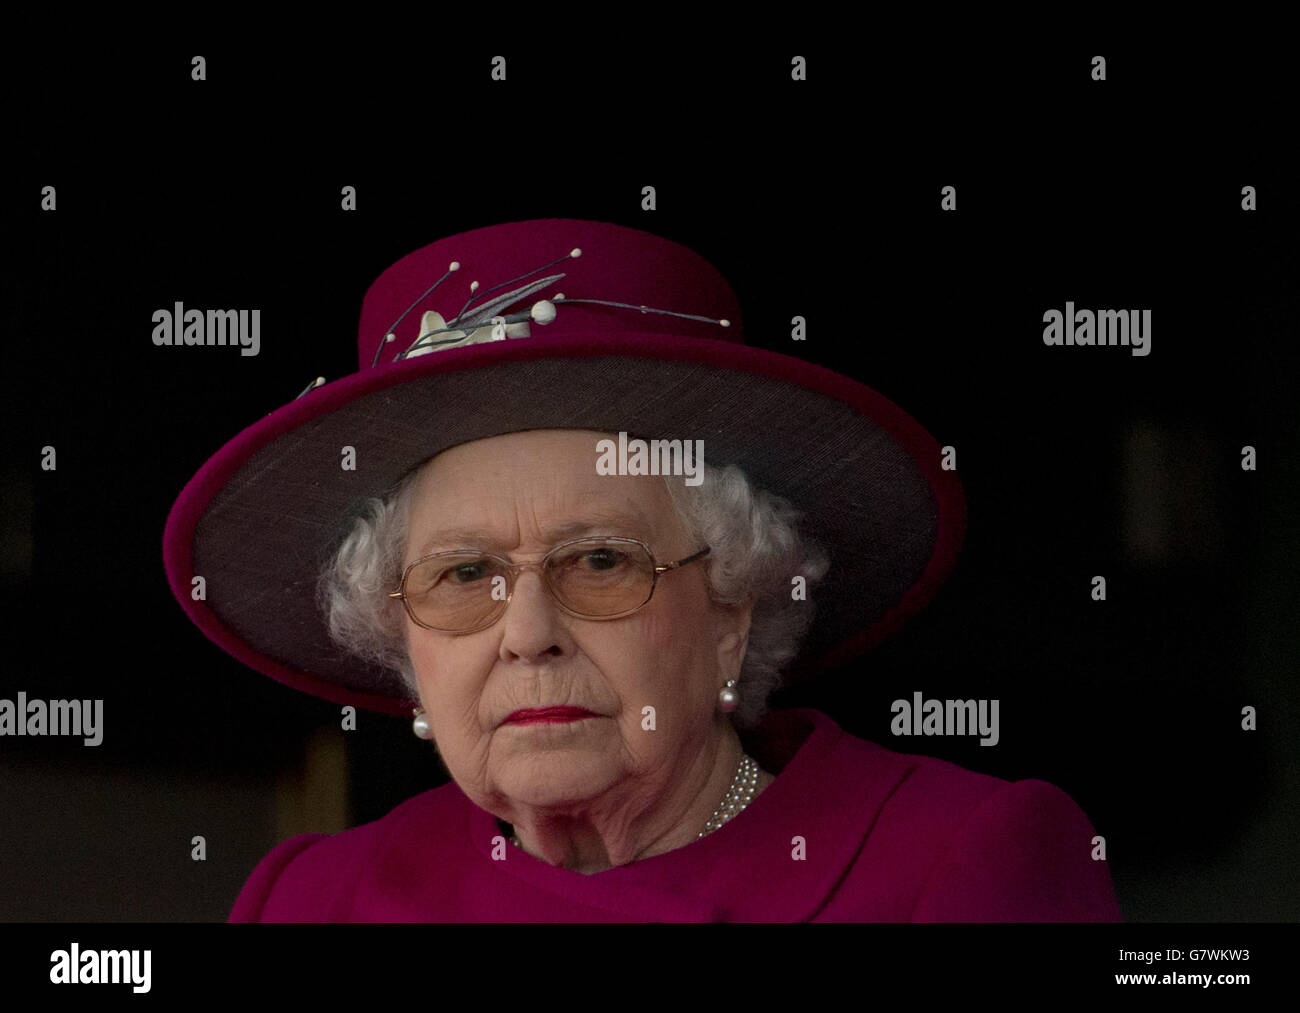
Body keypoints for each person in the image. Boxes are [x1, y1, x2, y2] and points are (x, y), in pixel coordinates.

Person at [164, 218, 1122, 921]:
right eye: (463, 577)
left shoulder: (962, 862)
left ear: (731, 613)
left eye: (601, 561)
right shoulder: (311, 902)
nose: (529, 632)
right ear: (403, 642)